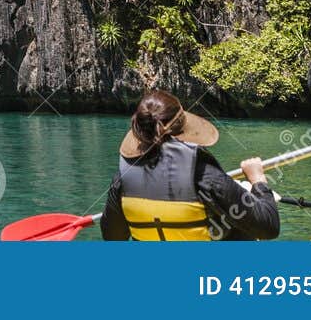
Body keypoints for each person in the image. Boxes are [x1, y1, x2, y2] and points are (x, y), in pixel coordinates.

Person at [100, 90, 280, 241]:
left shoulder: (122, 179)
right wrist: (258, 181)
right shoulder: (204, 175)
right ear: (182, 128)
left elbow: (113, 237)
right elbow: (269, 227)